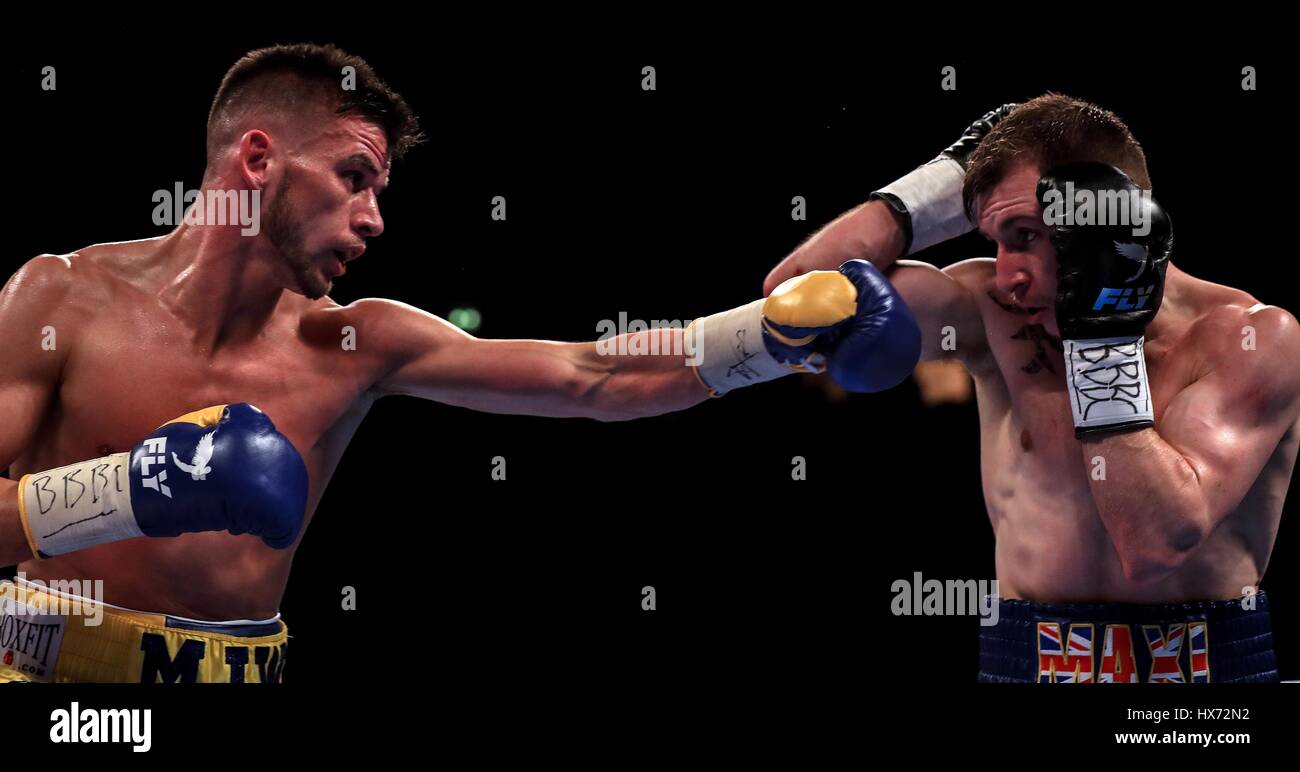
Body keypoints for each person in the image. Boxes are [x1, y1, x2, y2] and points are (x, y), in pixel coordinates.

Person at [0, 44, 920, 682]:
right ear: (256, 157)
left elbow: (591, 375)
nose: (374, 218)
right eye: (354, 177)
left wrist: (768, 337)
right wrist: (135, 489)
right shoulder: (60, 298)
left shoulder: (352, 342)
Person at [765, 95, 1300, 682]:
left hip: (1206, 676)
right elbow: (797, 302)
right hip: (1027, 660)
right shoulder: (990, 312)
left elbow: (1152, 545)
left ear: (1113, 219)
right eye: (994, 240)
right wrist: (924, 194)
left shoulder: (1252, 338)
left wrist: (1100, 334)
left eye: (1023, 235)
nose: (1006, 275)